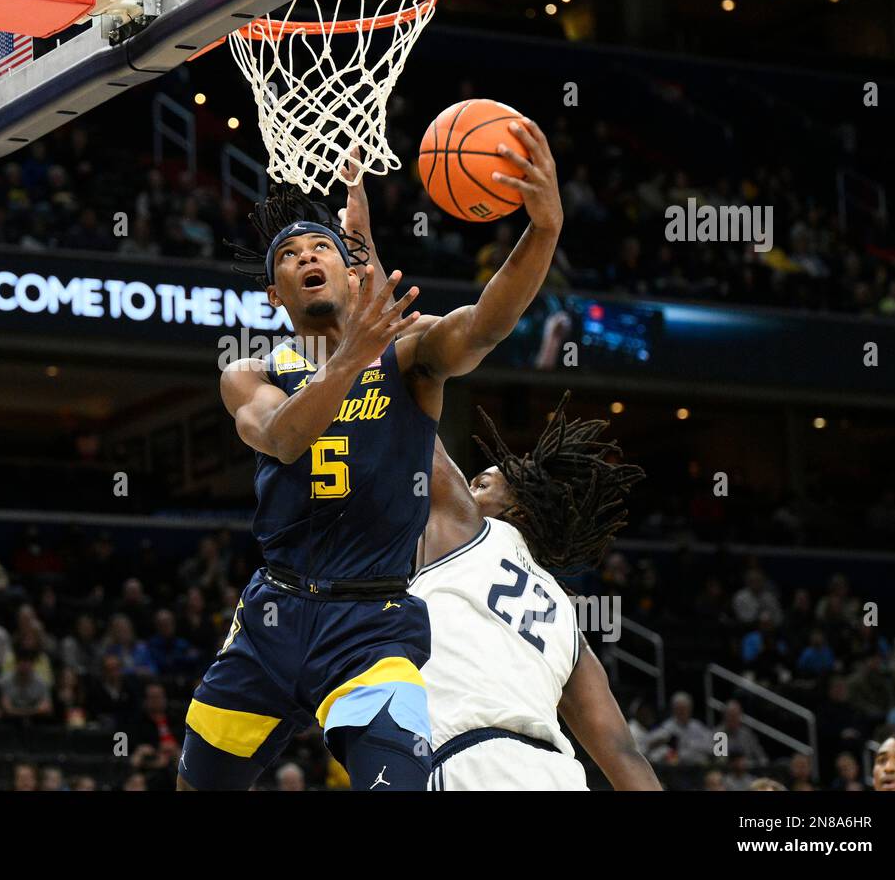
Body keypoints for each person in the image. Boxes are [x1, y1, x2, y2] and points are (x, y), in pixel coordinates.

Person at [182, 121, 565, 791]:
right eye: (289, 255)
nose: (307, 257)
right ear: (276, 293)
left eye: (320, 247)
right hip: (272, 615)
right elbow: (282, 438)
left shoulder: (407, 354)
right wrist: (349, 358)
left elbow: (485, 326)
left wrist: (542, 232)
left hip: (372, 626)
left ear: (347, 269)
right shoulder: (250, 374)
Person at [410, 398, 659, 790]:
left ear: (519, 512)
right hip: (559, 776)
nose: (466, 492)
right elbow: (623, 753)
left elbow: (414, 424)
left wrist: (363, 352)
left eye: (480, 485)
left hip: (472, 764)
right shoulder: (566, 618)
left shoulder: (461, 529)